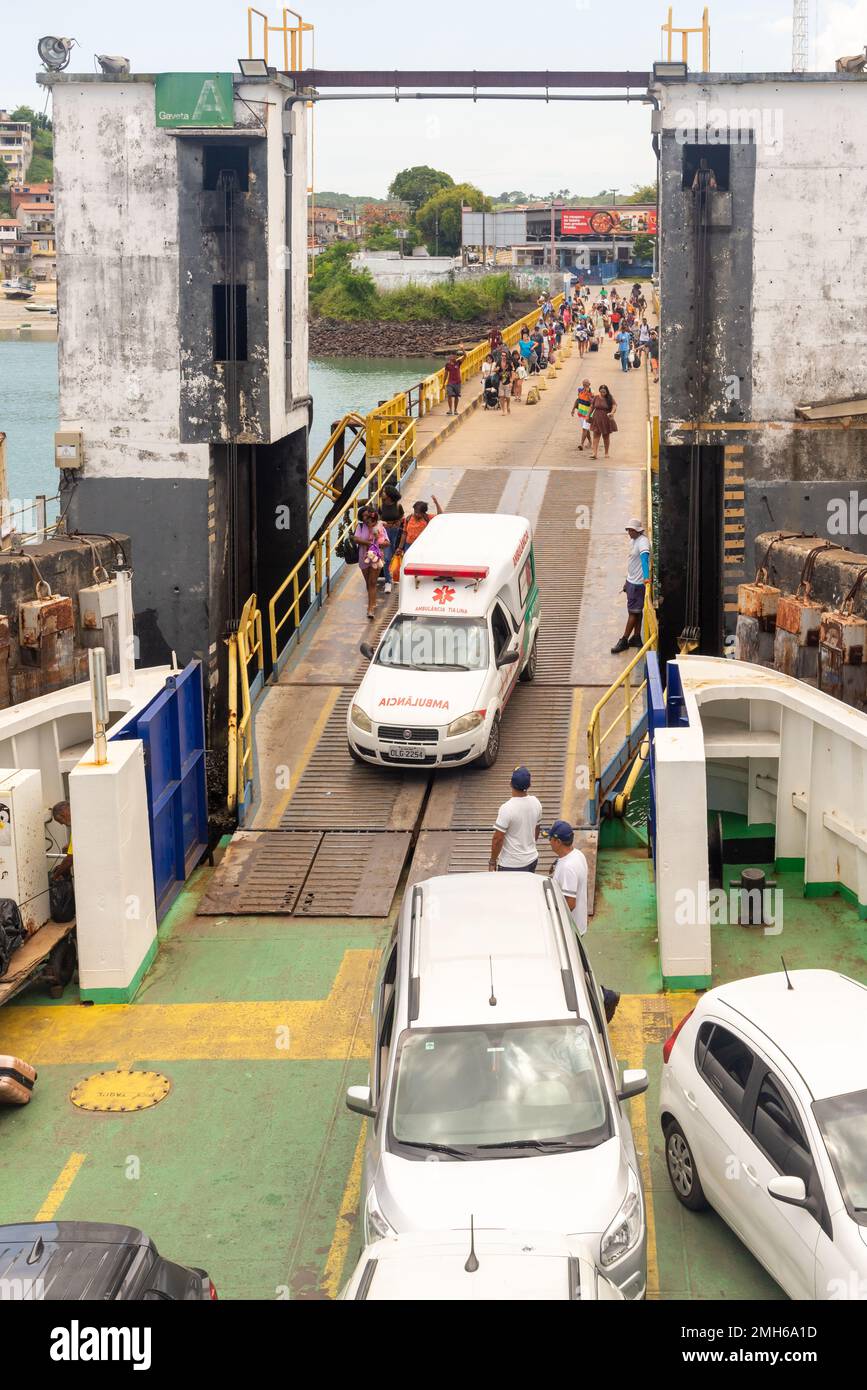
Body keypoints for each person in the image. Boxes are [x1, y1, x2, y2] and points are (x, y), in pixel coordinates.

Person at [548, 820, 619, 1022]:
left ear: (558, 841)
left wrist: (550, 913)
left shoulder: (567, 868)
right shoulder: (577, 855)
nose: (549, 843)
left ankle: (605, 996)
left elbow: (569, 902)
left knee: (576, 972)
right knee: (577, 968)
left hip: (568, 928)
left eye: (550, 839)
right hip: (577, 925)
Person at [489, 766, 542, 873]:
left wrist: (492, 861)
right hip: (531, 859)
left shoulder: (507, 808)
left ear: (510, 784)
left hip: (511, 865)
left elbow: (497, 840)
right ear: (529, 785)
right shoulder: (536, 803)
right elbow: (537, 830)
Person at [611, 517, 651, 654]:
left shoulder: (643, 542)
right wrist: (626, 582)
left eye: (630, 530)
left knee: (633, 613)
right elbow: (632, 563)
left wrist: (646, 578)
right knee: (637, 611)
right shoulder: (633, 540)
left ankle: (624, 640)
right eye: (628, 530)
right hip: (631, 581)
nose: (628, 532)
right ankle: (636, 637)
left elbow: (645, 559)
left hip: (638, 584)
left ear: (636, 531)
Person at [354, 505, 389, 620]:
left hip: (376, 558)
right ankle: (373, 602)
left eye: (367, 515)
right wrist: (369, 544)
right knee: (368, 583)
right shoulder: (360, 526)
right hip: (363, 557)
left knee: (372, 582)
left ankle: (370, 609)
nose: (365, 518)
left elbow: (387, 543)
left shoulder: (380, 527)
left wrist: (378, 542)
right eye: (363, 516)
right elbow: (356, 539)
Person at [379, 482, 404, 595]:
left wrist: (397, 524)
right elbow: (378, 519)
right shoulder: (381, 506)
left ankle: (391, 575)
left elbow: (401, 516)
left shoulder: (397, 506)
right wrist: (384, 525)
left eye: (384, 492)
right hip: (385, 532)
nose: (382, 493)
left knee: (393, 553)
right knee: (387, 557)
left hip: (395, 531)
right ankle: (388, 581)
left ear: (389, 494)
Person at [589, 385, 617, 459]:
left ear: (606, 391)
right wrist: (588, 415)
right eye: (601, 392)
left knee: (606, 436)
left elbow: (614, 405)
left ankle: (606, 452)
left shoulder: (610, 398)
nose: (602, 393)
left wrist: (612, 412)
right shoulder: (596, 397)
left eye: (604, 392)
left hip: (606, 418)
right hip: (596, 418)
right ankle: (594, 453)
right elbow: (592, 406)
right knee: (596, 436)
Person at [51, 800, 74, 880]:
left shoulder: (77, 828)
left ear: (63, 814)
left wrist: (56, 875)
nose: (61, 824)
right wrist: (69, 845)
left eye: (59, 820)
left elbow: (70, 859)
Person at [571, 379, 594, 451]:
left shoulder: (591, 391)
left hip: (588, 414)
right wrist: (573, 409)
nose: (585, 386)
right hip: (581, 413)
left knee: (584, 428)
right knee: (586, 429)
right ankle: (590, 442)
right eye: (584, 384)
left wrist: (588, 394)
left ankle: (581, 444)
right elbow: (577, 400)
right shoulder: (580, 390)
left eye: (586, 384)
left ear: (589, 384)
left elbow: (592, 402)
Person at [443, 348, 466, 416]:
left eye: (454, 356)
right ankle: (450, 410)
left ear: (455, 357)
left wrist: (462, 349)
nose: (452, 357)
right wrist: (443, 383)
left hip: (458, 382)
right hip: (450, 382)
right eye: (451, 356)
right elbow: (446, 374)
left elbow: (465, 356)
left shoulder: (458, 362)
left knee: (456, 396)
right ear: (449, 357)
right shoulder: (447, 365)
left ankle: (455, 410)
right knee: (449, 395)